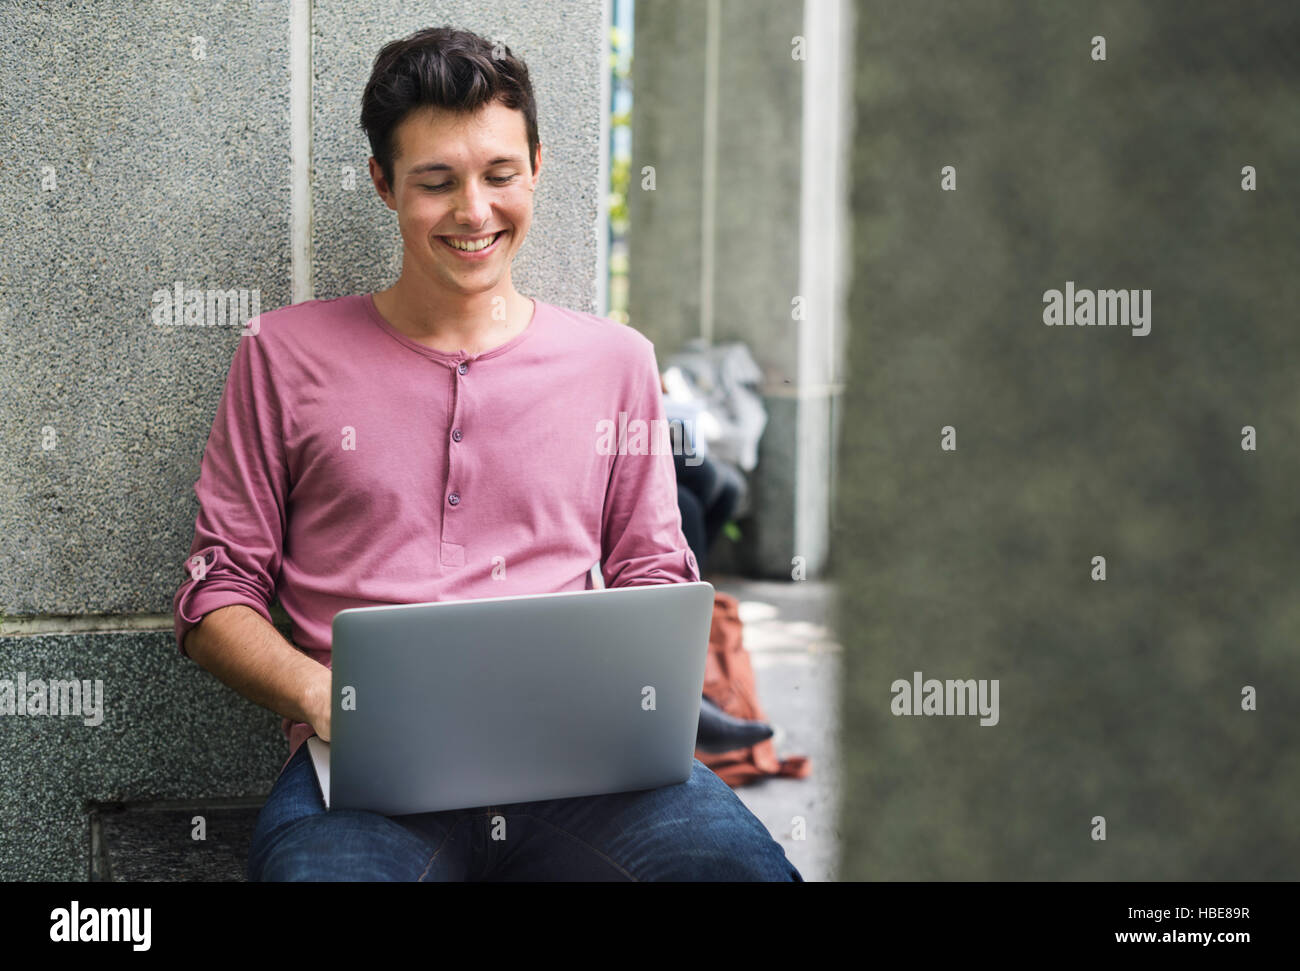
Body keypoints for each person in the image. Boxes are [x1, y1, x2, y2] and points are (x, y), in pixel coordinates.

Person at [172, 25, 801, 882]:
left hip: (593, 771)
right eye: (436, 182)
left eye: (500, 175)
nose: (475, 212)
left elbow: (655, 570)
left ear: (537, 166)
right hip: (364, 782)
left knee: (738, 870)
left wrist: (642, 685)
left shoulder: (617, 361)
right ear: (383, 183)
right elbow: (215, 596)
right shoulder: (283, 354)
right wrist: (323, 697)